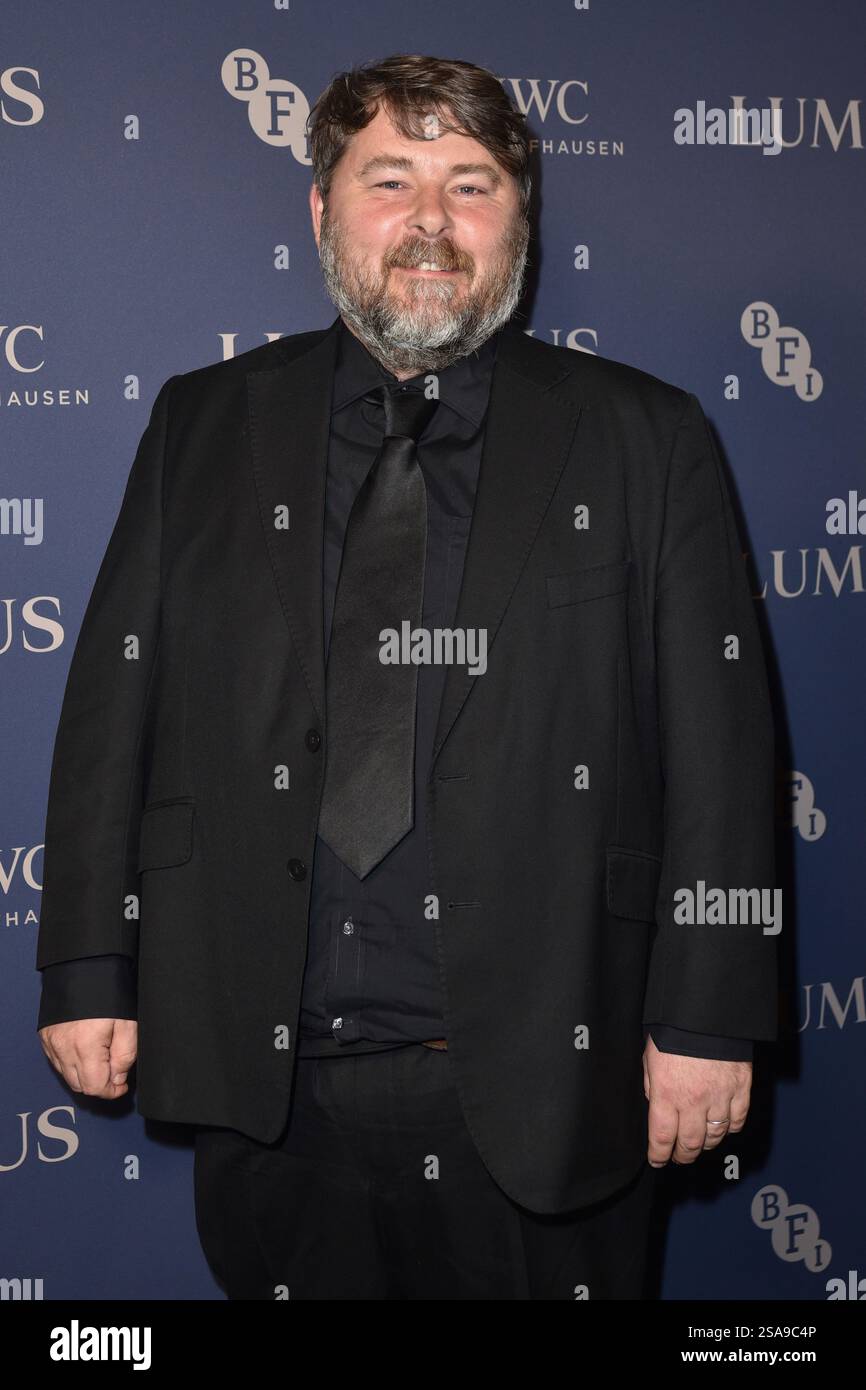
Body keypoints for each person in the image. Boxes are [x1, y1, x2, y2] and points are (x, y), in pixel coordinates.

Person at [35, 53, 778, 1300]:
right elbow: (116, 704)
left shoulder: (646, 438)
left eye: (471, 185)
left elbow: (721, 744)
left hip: (548, 1081)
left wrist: (706, 1019)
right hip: (269, 1086)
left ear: (519, 229)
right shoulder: (201, 423)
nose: (430, 220)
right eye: (391, 179)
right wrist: (88, 963)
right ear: (320, 211)